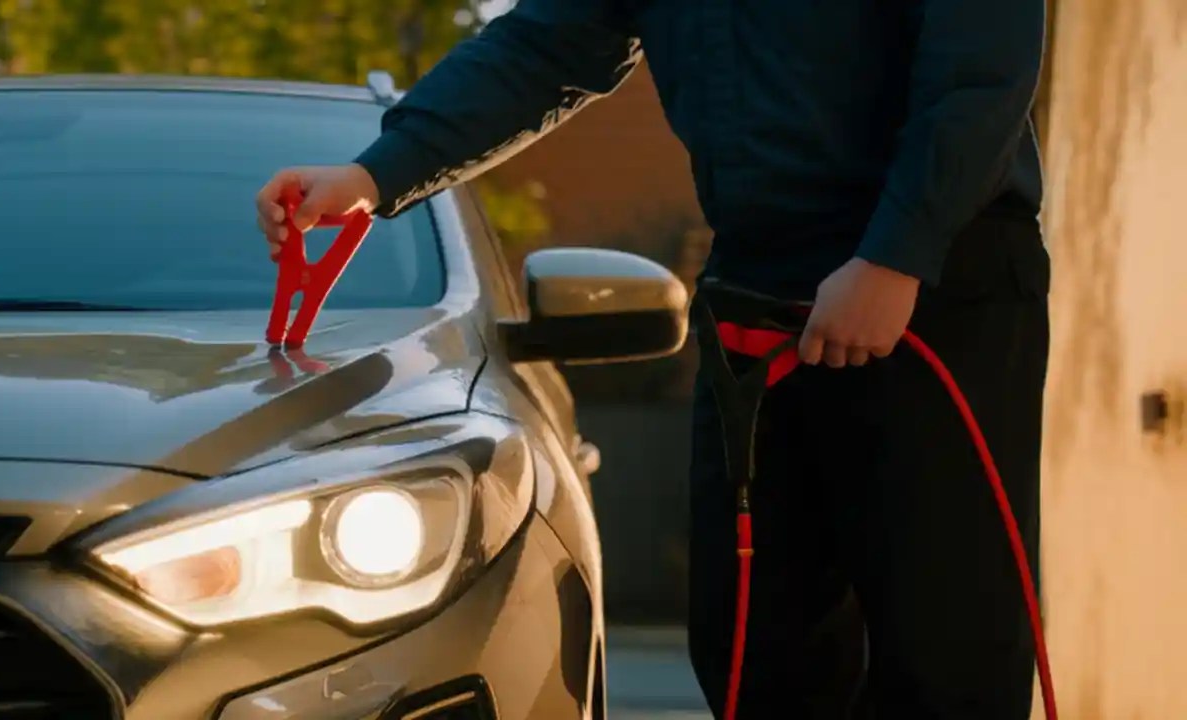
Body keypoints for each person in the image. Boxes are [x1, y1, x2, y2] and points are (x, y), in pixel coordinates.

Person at [255, 1, 1051, 717]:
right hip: (757, 299)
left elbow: (979, 71)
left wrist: (896, 257)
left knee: (950, 657)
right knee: (751, 654)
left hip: (935, 291)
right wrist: (372, 175)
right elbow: (544, 45)